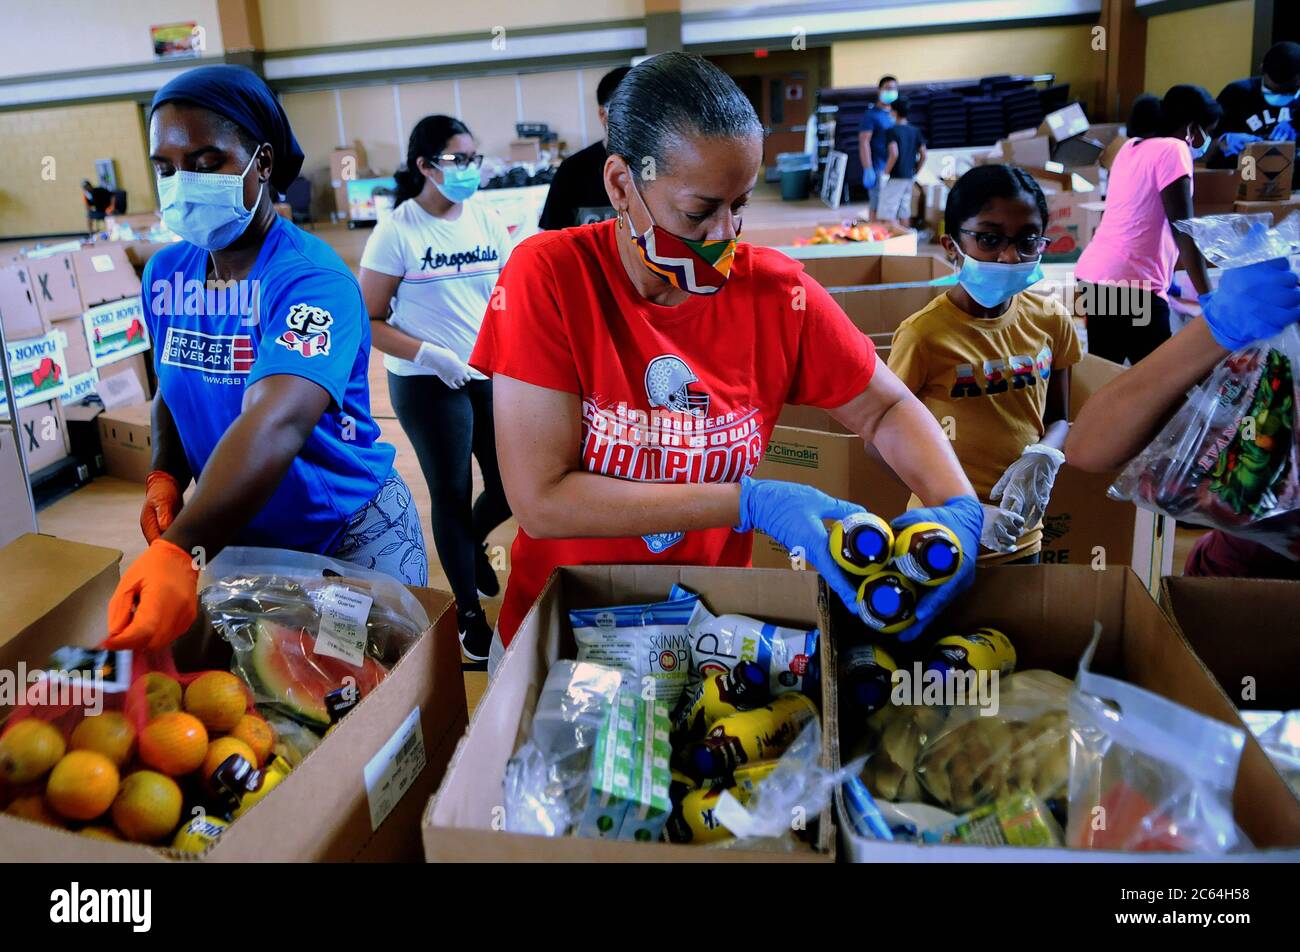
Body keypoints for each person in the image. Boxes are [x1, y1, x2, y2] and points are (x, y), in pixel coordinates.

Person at [470, 53, 982, 673]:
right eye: (698, 211)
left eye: (740, 204)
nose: (725, 233)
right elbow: (541, 501)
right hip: (565, 636)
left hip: (703, 634)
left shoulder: (776, 295)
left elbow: (886, 406)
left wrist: (956, 505)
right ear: (620, 185)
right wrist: (749, 502)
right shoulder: (549, 276)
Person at [106, 65, 425, 651]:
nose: (183, 183)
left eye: (207, 163)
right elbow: (172, 391)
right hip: (239, 535)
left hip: (345, 535)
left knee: (361, 711)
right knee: (264, 716)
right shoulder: (166, 273)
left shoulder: (311, 280)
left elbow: (276, 422)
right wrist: (164, 475)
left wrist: (181, 547)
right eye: (166, 168)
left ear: (263, 163)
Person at [359, 115, 513, 661]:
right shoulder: (397, 231)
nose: (470, 169)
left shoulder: (487, 220)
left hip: (485, 370)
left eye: (474, 158)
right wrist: (428, 354)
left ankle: (471, 547)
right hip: (426, 380)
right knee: (450, 490)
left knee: (510, 485)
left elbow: (502, 296)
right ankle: (468, 616)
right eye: (458, 160)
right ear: (425, 166)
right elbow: (369, 319)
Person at [889, 165, 1082, 565]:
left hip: (1022, 535)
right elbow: (882, 441)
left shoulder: (1051, 319)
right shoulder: (924, 334)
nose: (1009, 256)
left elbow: (1060, 417)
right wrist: (966, 511)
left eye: (1027, 239)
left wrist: (1046, 454)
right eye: (989, 238)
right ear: (950, 245)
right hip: (939, 534)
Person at [1066, 255, 1300, 579]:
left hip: (1128, 287)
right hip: (1124, 288)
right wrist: (1217, 326)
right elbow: (1088, 447)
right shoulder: (1269, 375)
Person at [1074, 86, 1219, 365]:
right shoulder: (1174, 150)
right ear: (1192, 127)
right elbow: (1184, 231)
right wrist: (1208, 297)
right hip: (1132, 286)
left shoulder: (1131, 147)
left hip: (1095, 274)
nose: (1206, 141)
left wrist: (1170, 278)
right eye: (1207, 131)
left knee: (1106, 371)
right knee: (1159, 382)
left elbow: (1142, 217)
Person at [538, 66, 632, 230]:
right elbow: (552, 241)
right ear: (604, 114)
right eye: (627, 110)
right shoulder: (572, 172)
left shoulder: (661, 167)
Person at [1208, 40, 1300, 188]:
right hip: (1241, 186)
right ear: (1262, 69)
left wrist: (1294, 126)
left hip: (1293, 189)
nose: (1280, 95)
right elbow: (1202, 151)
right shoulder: (1237, 93)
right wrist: (1224, 140)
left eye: (1288, 90)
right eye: (1274, 89)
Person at [879, 98, 925, 228]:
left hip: (896, 176)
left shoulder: (892, 131)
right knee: (904, 210)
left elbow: (894, 154)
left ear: (894, 112)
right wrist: (916, 170)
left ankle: (890, 245)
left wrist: (885, 173)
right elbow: (923, 154)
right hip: (909, 176)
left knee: (888, 211)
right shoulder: (915, 131)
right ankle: (906, 242)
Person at [857, 75, 898, 218]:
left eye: (893, 88)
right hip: (879, 167)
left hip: (896, 168)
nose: (891, 91)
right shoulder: (871, 115)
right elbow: (864, 142)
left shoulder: (897, 115)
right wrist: (868, 168)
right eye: (887, 88)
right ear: (879, 90)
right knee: (876, 205)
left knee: (893, 207)